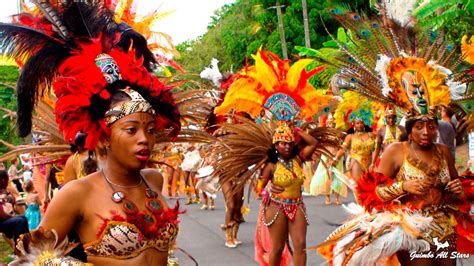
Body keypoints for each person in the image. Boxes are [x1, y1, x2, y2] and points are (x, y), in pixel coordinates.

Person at [4, 2, 182, 264]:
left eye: (150, 129)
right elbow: (32, 257)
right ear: (105, 136)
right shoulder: (77, 194)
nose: (144, 139)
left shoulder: (153, 180)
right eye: (131, 130)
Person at [257, 124, 318, 266]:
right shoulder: (271, 165)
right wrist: (267, 187)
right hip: (276, 206)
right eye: (283, 143)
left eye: (290, 143)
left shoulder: (298, 159)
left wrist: (297, 130)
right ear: (276, 145)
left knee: (301, 244)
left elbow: (314, 143)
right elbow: (258, 188)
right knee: (277, 248)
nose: (287, 147)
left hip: (297, 205)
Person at [332, 118, 376, 182]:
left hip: (370, 162)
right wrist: (335, 159)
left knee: (371, 187)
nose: (360, 125)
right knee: (359, 185)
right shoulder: (350, 136)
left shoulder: (371, 135)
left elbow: (377, 147)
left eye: (361, 122)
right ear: (354, 125)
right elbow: (343, 149)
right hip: (356, 161)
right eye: (357, 123)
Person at [0, 170, 29, 247]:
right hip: (1, 219)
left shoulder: (7, 190)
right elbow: (2, 214)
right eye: (6, 179)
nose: (7, 181)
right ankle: (19, 247)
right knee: (20, 221)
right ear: (2, 180)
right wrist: (13, 217)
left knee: (23, 218)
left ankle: (25, 244)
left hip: (3, 217)